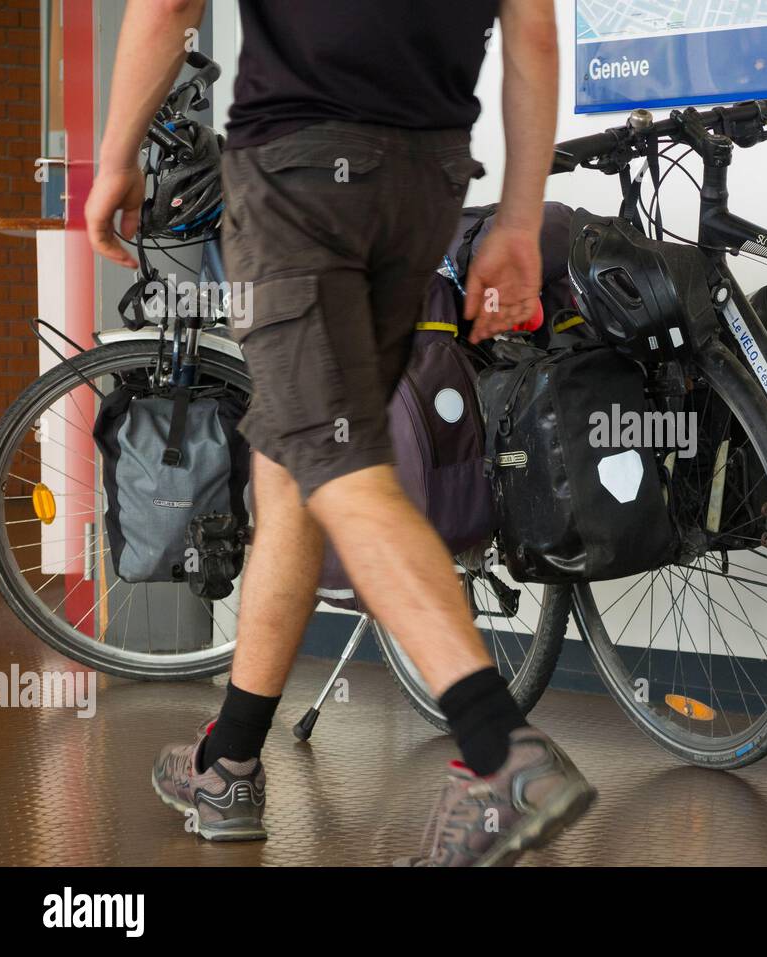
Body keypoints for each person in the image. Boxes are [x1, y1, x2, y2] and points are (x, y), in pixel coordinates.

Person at [85, 0, 594, 867]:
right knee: (299, 462)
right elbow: (534, 30)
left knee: (336, 463)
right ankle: (231, 760)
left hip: (299, 175)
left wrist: (114, 158)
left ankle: (501, 747)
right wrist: (515, 218)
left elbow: (169, 6)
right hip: (426, 176)